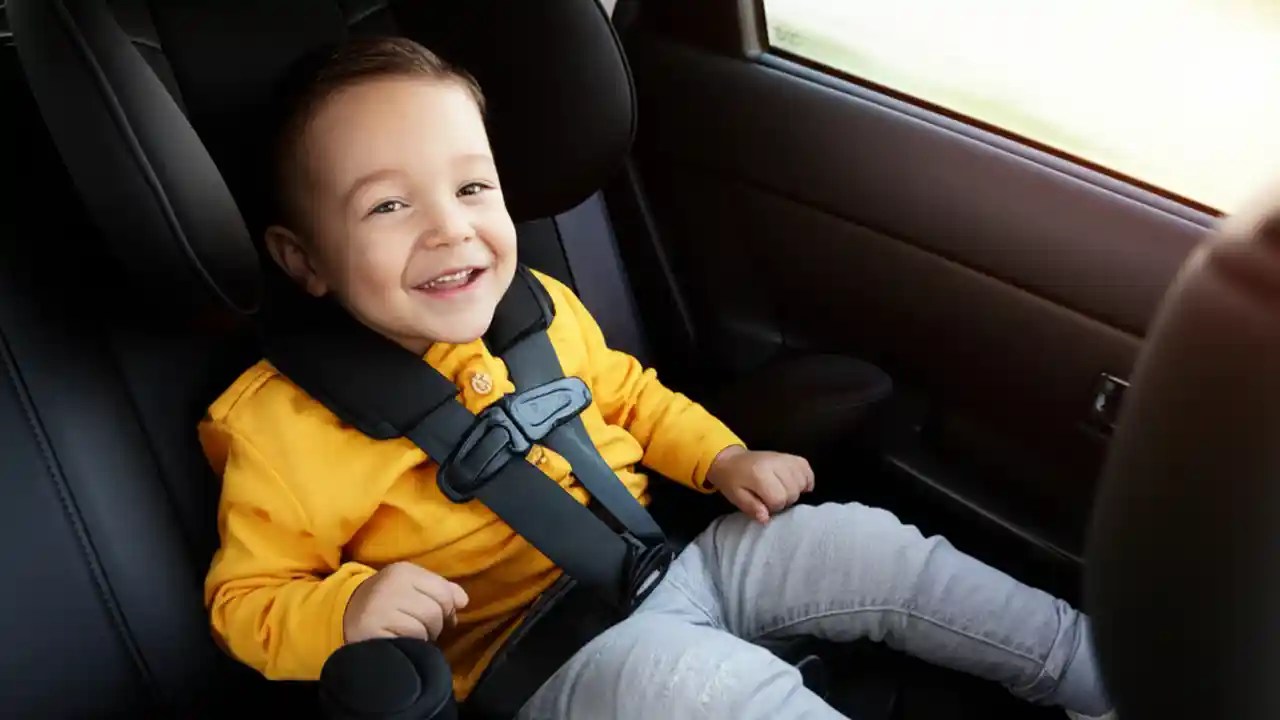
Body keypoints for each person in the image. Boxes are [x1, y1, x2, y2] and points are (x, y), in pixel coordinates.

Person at [201, 37, 1115, 720]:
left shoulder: (537, 311)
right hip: (551, 667)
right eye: (390, 205)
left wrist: (719, 459)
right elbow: (245, 602)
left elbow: (631, 396)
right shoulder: (279, 428)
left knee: (864, 545)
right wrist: (348, 610)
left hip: (671, 560)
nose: (450, 229)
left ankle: (1102, 675)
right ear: (303, 259)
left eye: (473, 188)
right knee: (713, 691)